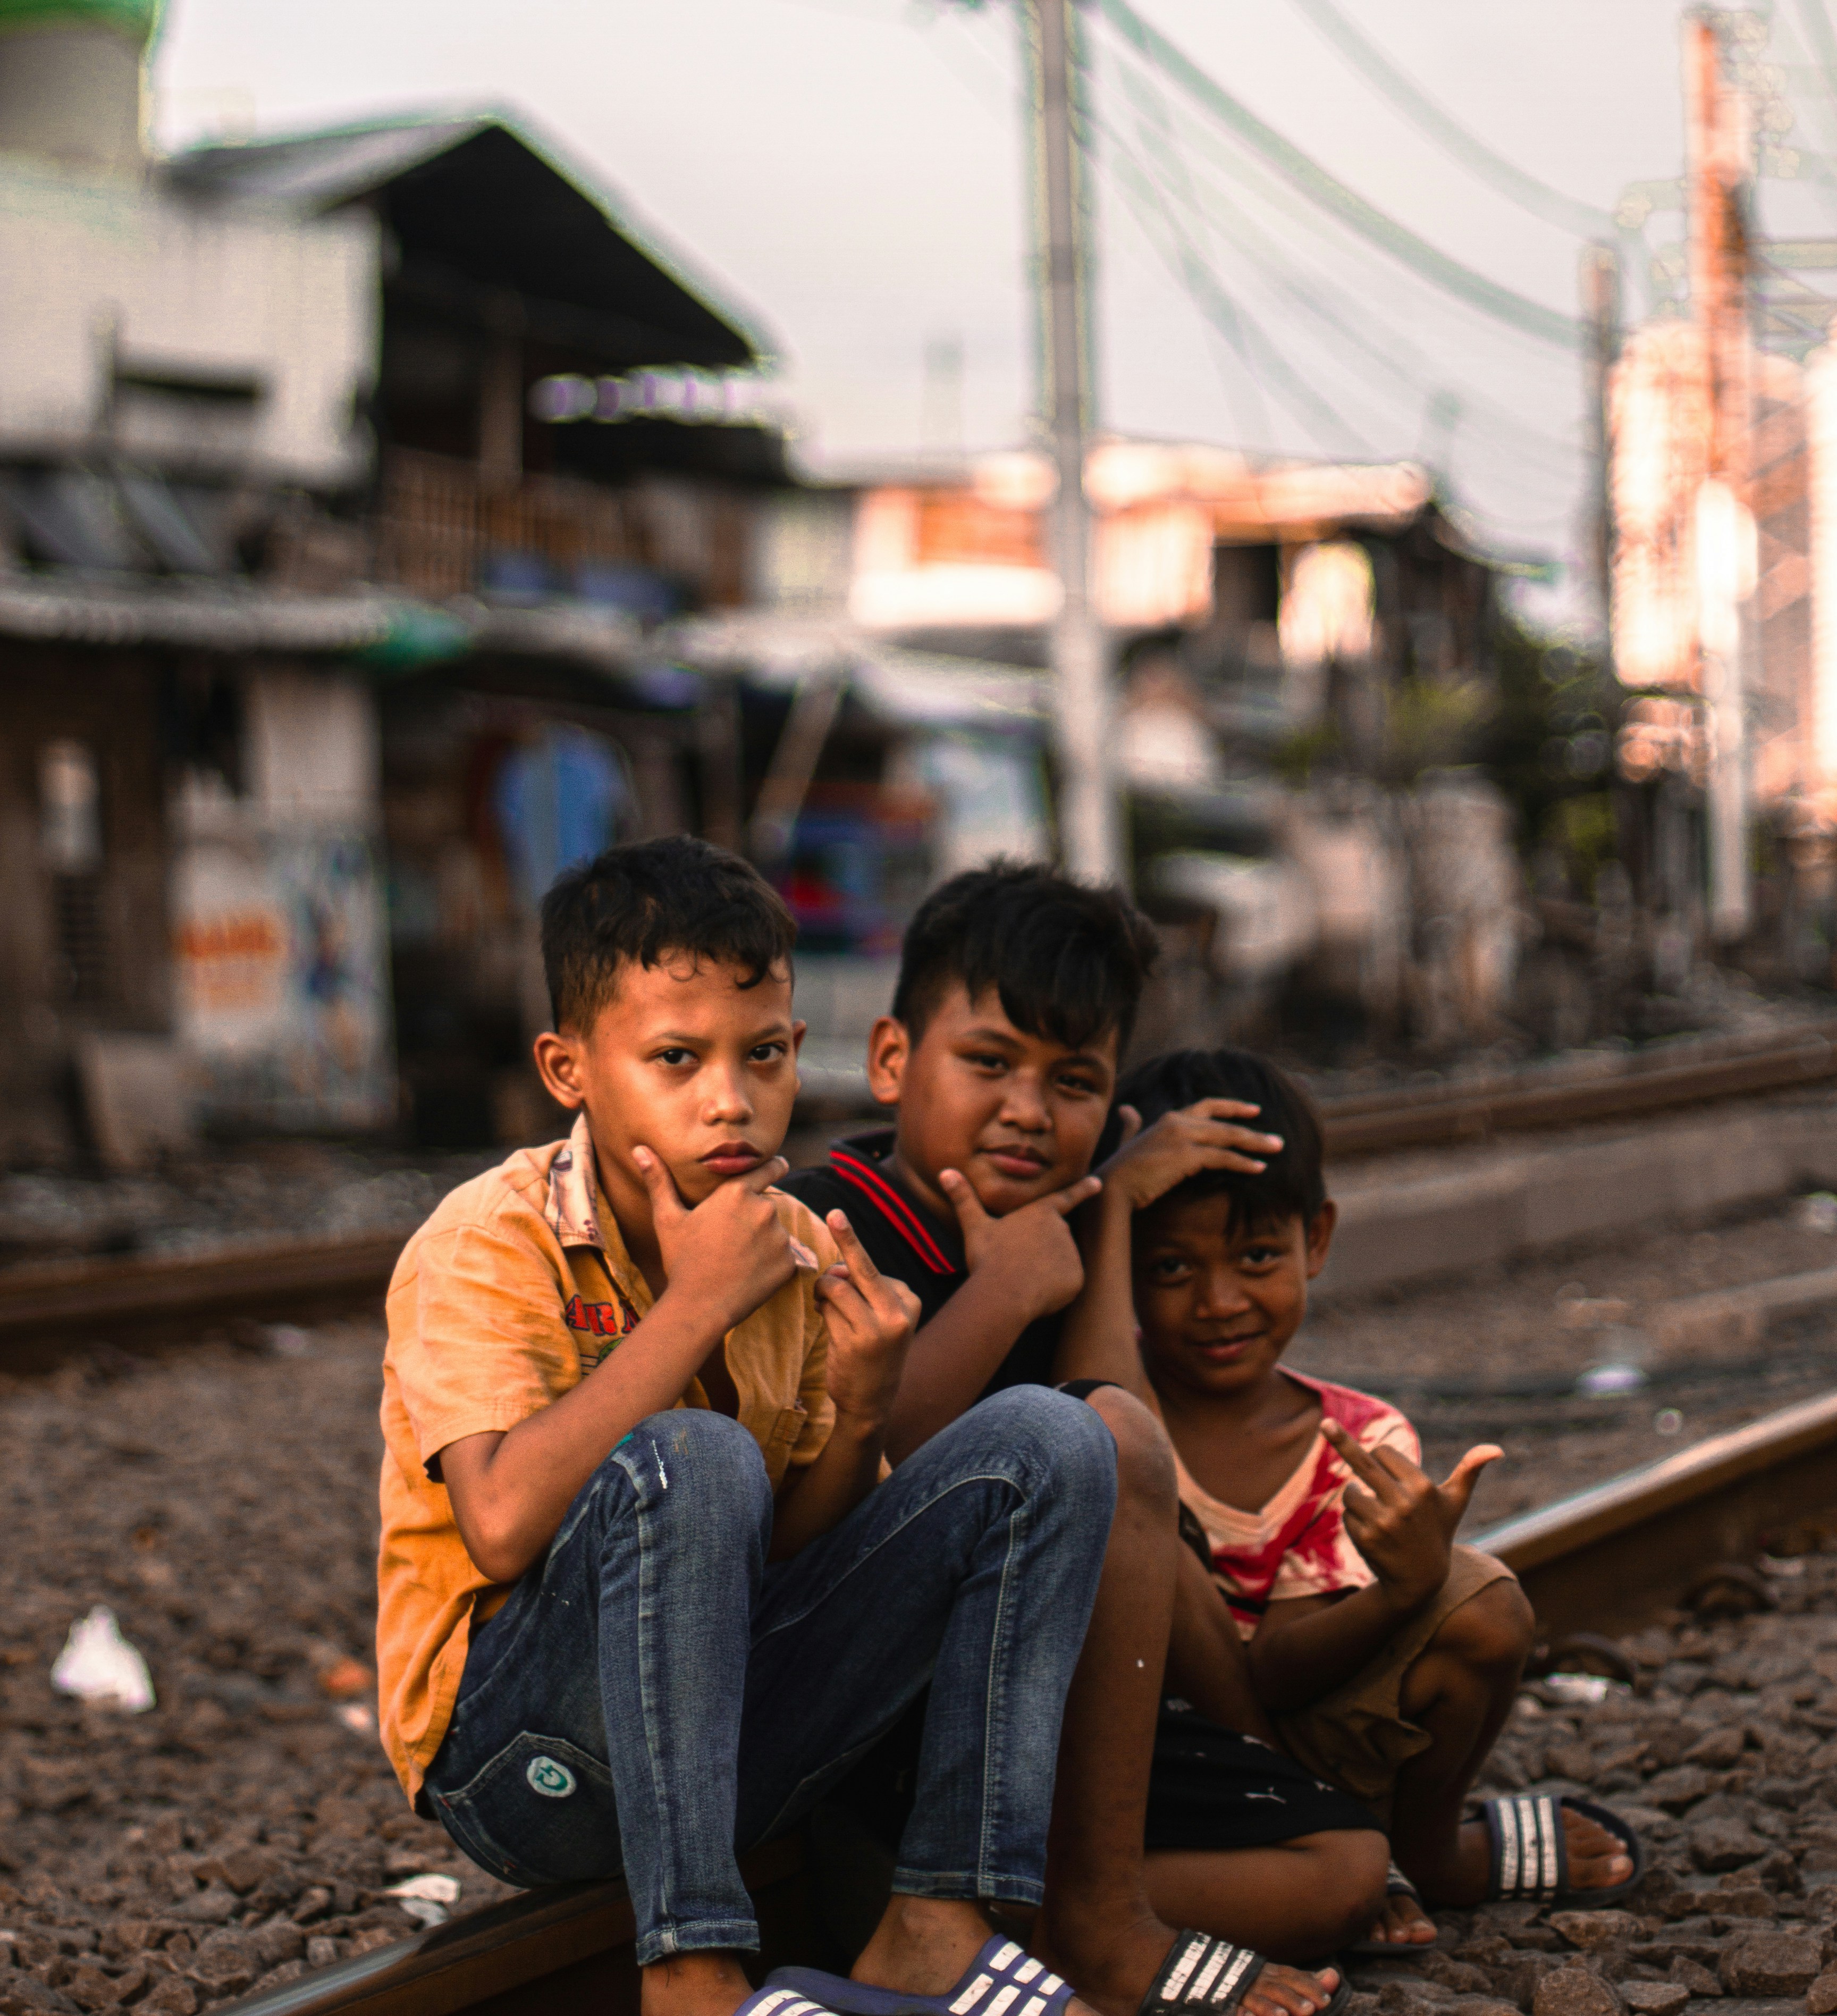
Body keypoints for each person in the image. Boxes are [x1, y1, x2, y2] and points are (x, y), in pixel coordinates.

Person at [376, 837, 1344, 2016]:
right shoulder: (492, 1239)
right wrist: (693, 1309)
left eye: (765, 1053)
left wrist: (864, 1411)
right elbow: (501, 1522)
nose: (730, 1097)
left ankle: (937, 1923)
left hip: (727, 1738)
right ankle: (690, 1973)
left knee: (1052, 1440)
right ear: (569, 1069)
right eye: (676, 1059)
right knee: (694, 1455)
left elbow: (789, 1558)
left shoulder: (790, 1248)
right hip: (524, 1758)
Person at [786, 865, 1388, 1969]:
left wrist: (1105, 1216)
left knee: (1345, 1871)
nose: (1026, 1111)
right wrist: (1003, 1293)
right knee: (1095, 1435)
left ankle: (1039, 1913)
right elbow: (847, 1484)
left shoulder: (1056, 1230)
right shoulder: (824, 1224)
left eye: (1071, 1081)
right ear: (890, 1061)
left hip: (1052, 1714)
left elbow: (1134, 1475)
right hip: (880, 1727)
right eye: (987, 1064)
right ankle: (1076, 1920)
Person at [1056, 1045, 1641, 1949]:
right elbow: (1099, 1413)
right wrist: (1115, 1207)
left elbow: (1280, 1668)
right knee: (1136, 1493)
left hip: (1305, 1737)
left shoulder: (1356, 1441)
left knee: (1484, 1603)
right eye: (1170, 1268)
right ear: (1124, 1266)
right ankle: (1345, 1854)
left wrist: (1407, 1590)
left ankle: (1426, 1848)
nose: (1219, 1301)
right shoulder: (1122, 1408)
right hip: (1154, 1756)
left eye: (1256, 1256)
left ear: (1316, 1240)